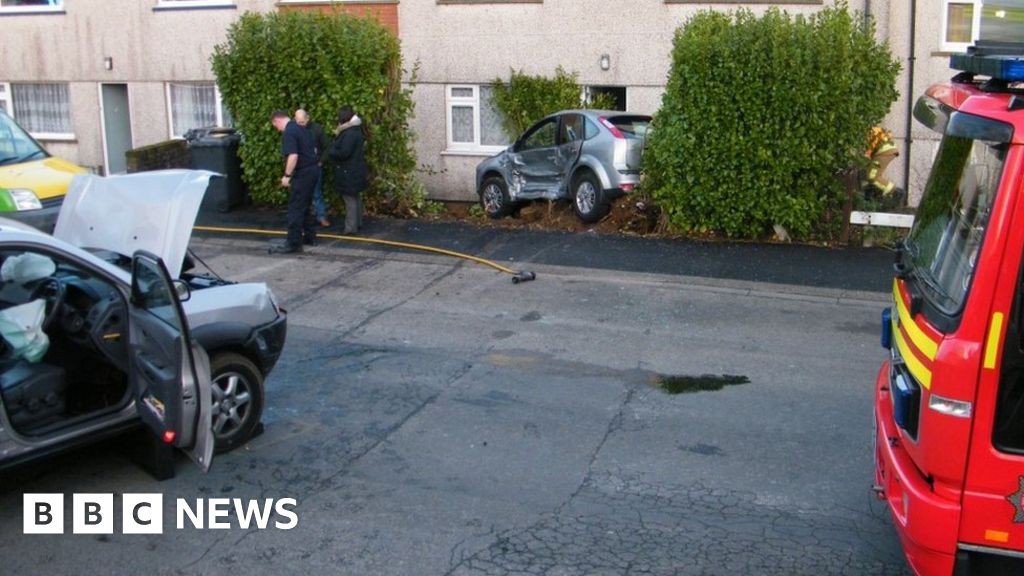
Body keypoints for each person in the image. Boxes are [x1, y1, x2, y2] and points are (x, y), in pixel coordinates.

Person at [269, 110, 320, 254]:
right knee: (306, 205)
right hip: (313, 170)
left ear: (276, 121)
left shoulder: (289, 132)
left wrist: (286, 175)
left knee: (295, 207)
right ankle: (310, 237)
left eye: (275, 126)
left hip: (303, 173)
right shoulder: (302, 129)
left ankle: (293, 243)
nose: (277, 129)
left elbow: (293, 155)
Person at [328, 106, 369, 235]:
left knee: (349, 198)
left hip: (348, 171)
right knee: (355, 196)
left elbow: (344, 153)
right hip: (356, 169)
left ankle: (350, 228)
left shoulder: (349, 133)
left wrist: (331, 151)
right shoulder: (356, 130)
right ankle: (358, 223)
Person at [295, 109, 331, 227]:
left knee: (316, 193)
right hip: (300, 167)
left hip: (315, 166)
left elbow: (327, 147)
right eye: (298, 122)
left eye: (302, 122)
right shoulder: (294, 130)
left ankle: (321, 217)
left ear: (308, 118)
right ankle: (304, 218)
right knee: (301, 194)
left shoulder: (317, 129)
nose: (300, 124)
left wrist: (321, 162)